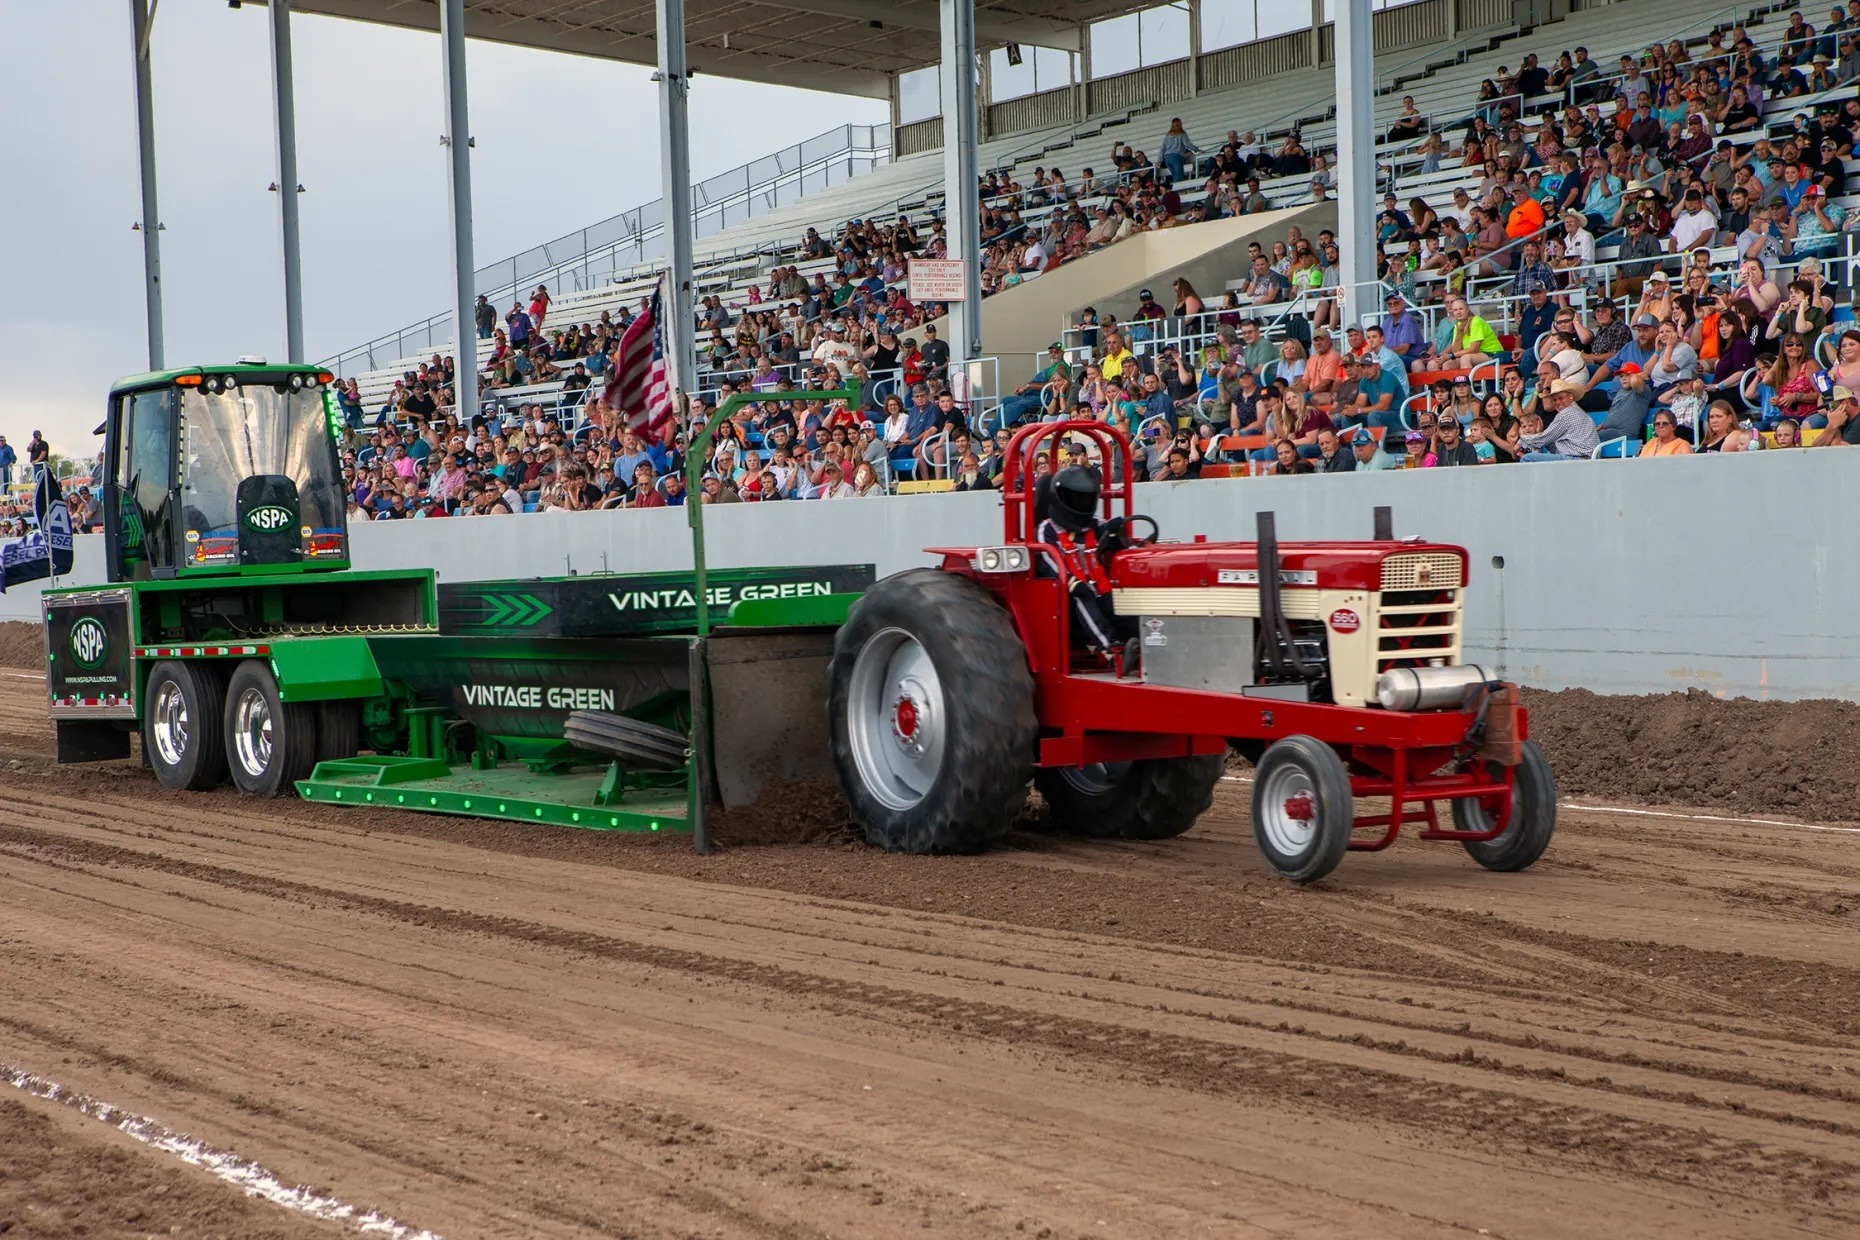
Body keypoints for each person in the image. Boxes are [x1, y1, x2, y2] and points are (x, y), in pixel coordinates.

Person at [1035, 463, 1140, 668]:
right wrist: (1069, 580)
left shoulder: (1095, 524)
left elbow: (1123, 545)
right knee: (1081, 595)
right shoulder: (1045, 530)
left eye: (1086, 499)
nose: (1081, 504)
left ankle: (1143, 641)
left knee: (1119, 597)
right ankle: (1111, 649)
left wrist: (1116, 534)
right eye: (1076, 499)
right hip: (1066, 598)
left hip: (1101, 588)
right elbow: (1046, 558)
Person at [1519, 380, 1600, 460]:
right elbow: (1551, 443)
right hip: (1584, 458)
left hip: (1578, 459)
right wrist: (1540, 435)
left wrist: (1523, 436)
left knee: (1527, 458)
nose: (1557, 402)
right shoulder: (1577, 411)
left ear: (1570, 396)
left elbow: (1542, 440)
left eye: (1561, 398)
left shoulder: (1566, 413)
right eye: (1554, 400)